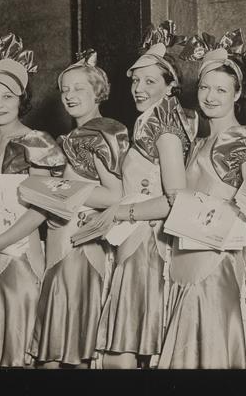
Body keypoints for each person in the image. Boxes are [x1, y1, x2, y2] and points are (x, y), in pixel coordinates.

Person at [157, 31, 246, 369]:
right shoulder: (198, 142)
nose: (210, 96)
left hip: (216, 263)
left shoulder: (245, 140)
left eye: (221, 90)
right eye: (205, 88)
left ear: (237, 94)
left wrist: (215, 215)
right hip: (183, 262)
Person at [94, 22, 198, 369]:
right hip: (134, 238)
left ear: (170, 87)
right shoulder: (148, 122)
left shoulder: (165, 129)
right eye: (136, 80)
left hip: (146, 242)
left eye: (150, 81)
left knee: (123, 346)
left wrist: (120, 213)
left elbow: (176, 199)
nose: (138, 88)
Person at [25, 49, 129, 368]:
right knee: (59, 343)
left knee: (71, 343)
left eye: (79, 88)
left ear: (98, 92)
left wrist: (61, 189)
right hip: (61, 241)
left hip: (79, 244)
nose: (69, 95)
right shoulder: (73, 135)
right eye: (65, 89)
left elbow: (114, 195)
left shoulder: (102, 131)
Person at [0, 34, 66, 368]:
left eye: (7, 96)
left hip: (19, 255)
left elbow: (42, 207)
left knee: (18, 351)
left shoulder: (36, 141)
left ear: (22, 99)